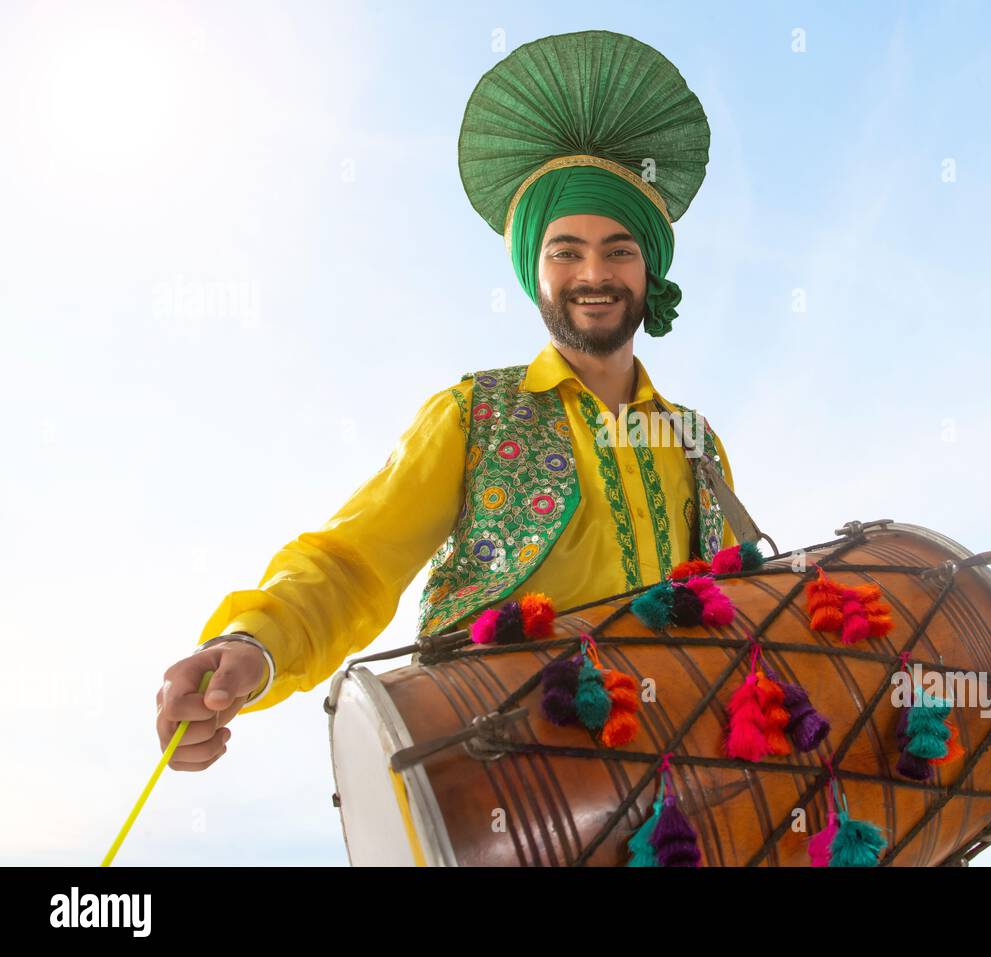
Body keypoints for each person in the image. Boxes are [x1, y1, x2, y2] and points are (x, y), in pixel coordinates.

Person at [155, 30, 743, 771]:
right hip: (506, 785)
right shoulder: (473, 415)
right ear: (536, 275)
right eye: (565, 250)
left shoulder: (695, 441)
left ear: (648, 268)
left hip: (688, 799)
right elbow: (353, 562)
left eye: (619, 248)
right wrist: (251, 645)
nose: (594, 271)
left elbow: (743, 612)